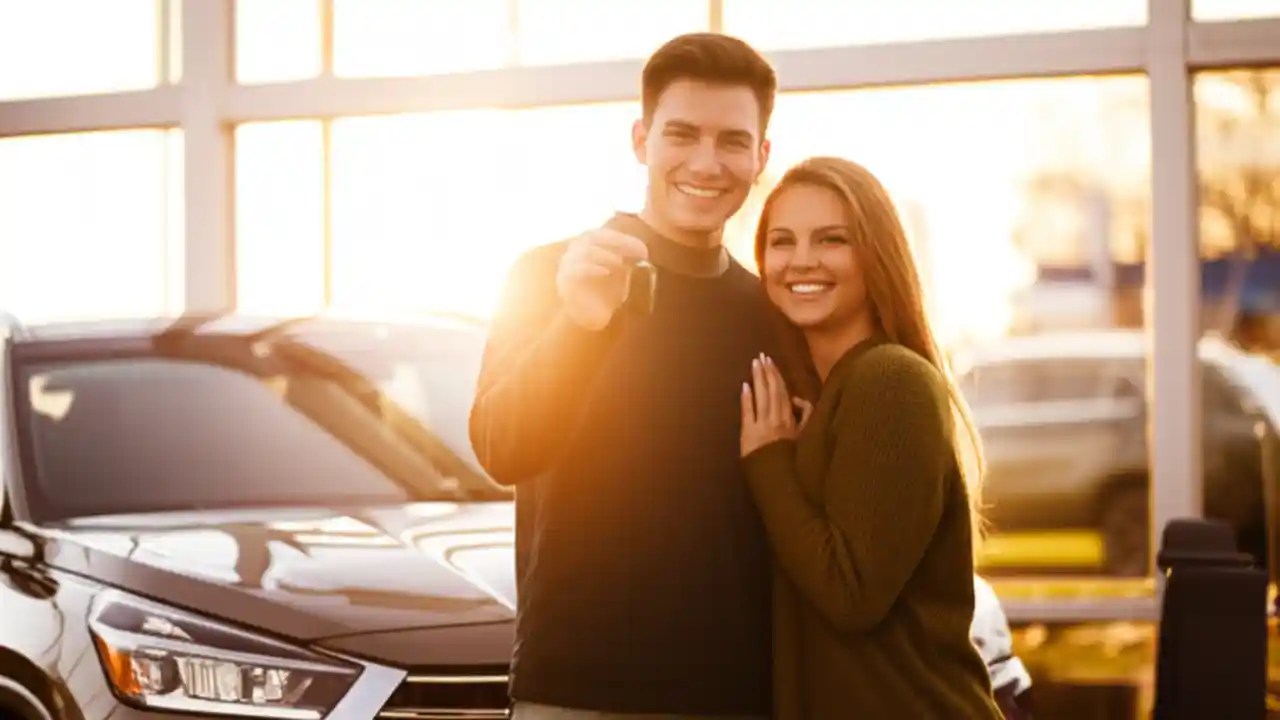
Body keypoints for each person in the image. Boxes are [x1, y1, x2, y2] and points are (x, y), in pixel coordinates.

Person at [469, 32, 781, 719]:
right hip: (576, 692)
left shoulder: (770, 314)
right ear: (641, 139)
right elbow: (501, 447)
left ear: (761, 156)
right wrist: (580, 325)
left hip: (731, 695)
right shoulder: (547, 273)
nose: (706, 161)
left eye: (733, 140)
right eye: (682, 134)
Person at [738, 155, 1005, 718]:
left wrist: (770, 461)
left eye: (832, 240)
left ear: (874, 254)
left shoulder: (890, 380)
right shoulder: (836, 393)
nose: (801, 261)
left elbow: (850, 593)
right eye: (781, 241)